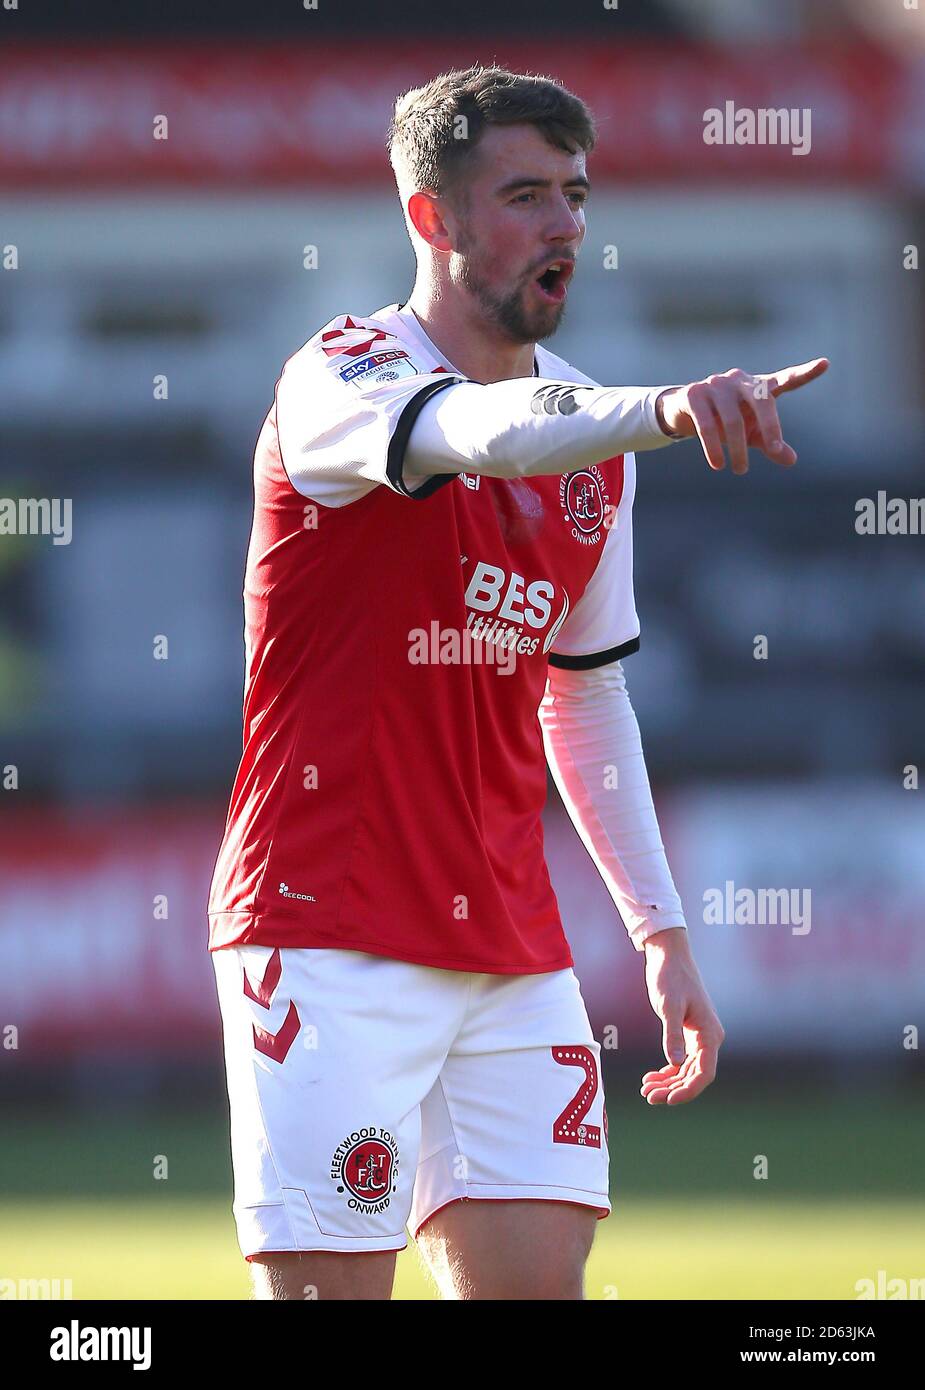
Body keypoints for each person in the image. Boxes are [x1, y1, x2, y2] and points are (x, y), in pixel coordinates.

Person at [207, 64, 828, 1301]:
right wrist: (657, 406)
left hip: (507, 938)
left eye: (577, 196)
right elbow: (480, 432)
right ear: (430, 218)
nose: (566, 229)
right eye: (527, 195)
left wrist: (659, 933)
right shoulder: (340, 378)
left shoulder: (598, 450)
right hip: (324, 929)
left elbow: (584, 695)